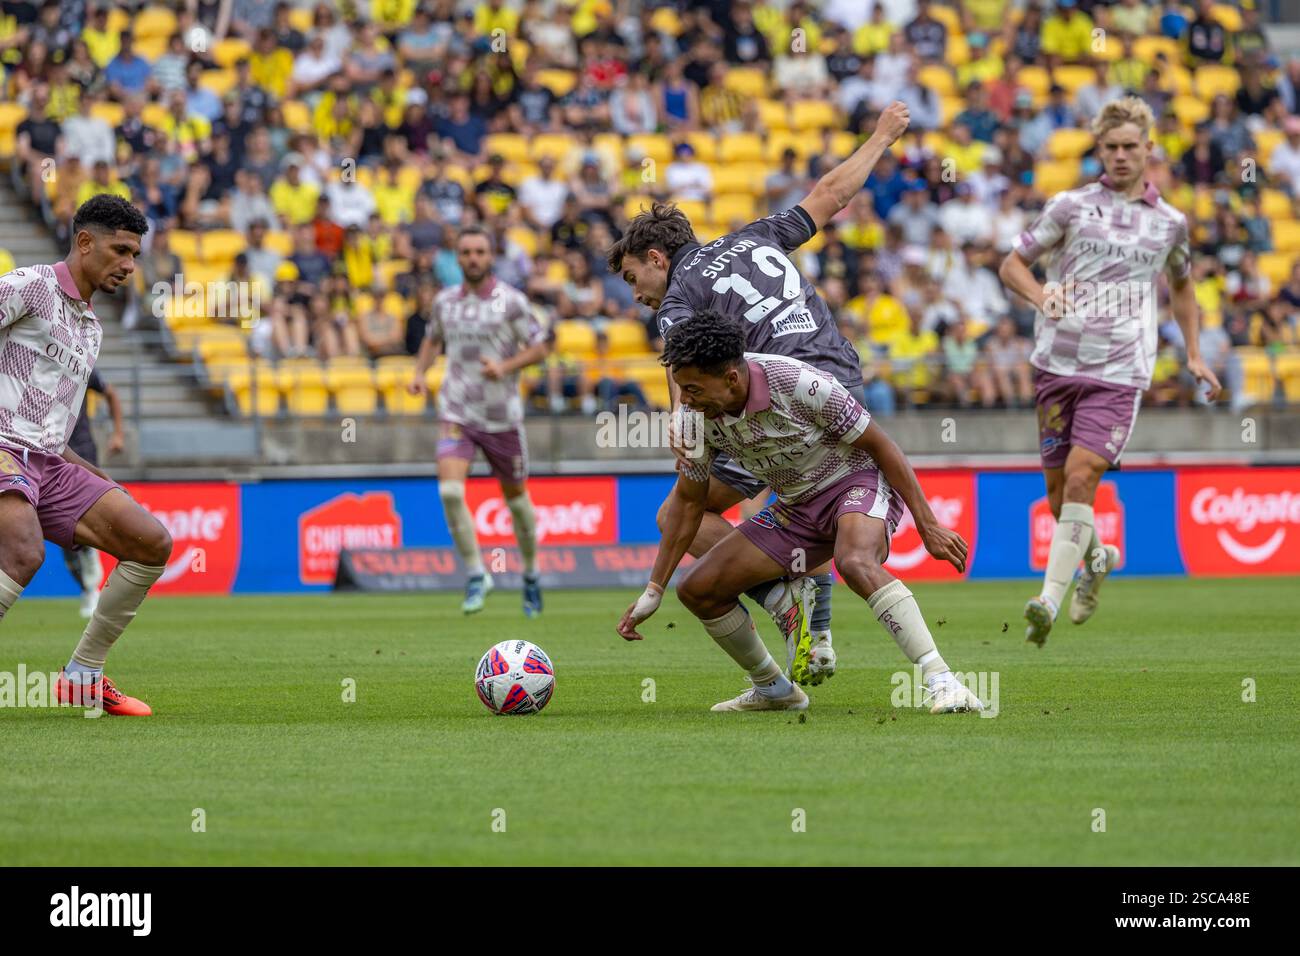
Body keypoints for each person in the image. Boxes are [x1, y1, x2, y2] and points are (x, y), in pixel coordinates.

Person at [607, 100, 911, 688]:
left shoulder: (678, 296)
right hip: (837, 383)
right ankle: (813, 624)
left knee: (681, 513)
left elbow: (679, 360)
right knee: (797, 501)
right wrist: (880, 136)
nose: (636, 294)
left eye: (633, 279)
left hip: (776, 402)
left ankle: (780, 598)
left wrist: (682, 421)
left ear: (655, 257)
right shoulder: (759, 236)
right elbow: (831, 193)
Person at [616, 310, 981, 716]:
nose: (684, 400)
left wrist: (928, 524)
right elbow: (686, 503)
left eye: (693, 389)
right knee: (698, 590)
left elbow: (881, 445)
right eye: (682, 389)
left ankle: (944, 682)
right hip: (795, 508)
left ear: (732, 379)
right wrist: (654, 590)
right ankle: (774, 689)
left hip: (854, 481)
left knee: (854, 561)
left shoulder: (796, 382)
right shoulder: (694, 419)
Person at [998, 97, 1221, 645]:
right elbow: (1010, 265)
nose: (1121, 156)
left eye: (1130, 147)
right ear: (1100, 150)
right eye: (1111, 147)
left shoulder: (1171, 223)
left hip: (1121, 371)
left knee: (1081, 478)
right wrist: (1041, 294)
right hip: (1055, 364)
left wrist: (1192, 351)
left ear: (1149, 149)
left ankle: (1047, 600)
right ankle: (1097, 559)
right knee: (1058, 496)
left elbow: (1184, 285)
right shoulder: (1069, 207)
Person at [0, 195, 173, 716]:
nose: (128, 265)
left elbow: (57, 430)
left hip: (48, 462)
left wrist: (104, 485)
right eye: (120, 250)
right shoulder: (30, 286)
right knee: (24, 550)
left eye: (135, 256)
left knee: (150, 541)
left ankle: (82, 676)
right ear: (84, 242)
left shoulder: (90, 328)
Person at [409, 227, 552, 616]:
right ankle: (476, 574)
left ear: (491, 256)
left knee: (517, 503)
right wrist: (420, 373)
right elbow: (432, 340)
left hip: (502, 416)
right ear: (458, 257)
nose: (473, 258)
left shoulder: (512, 302)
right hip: (457, 410)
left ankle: (531, 574)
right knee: (451, 493)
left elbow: (542, 345)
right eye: (467, 252)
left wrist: (505, 366)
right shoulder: (444, 303)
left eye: (480, 251)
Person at [61, 369, 126, 619]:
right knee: (62, 534)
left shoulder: (81, 364)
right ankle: (87, 584)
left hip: (82, 453)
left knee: (77, 520)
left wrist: (118, 433)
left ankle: (92, 586)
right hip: (48, 449)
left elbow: (111, 394)